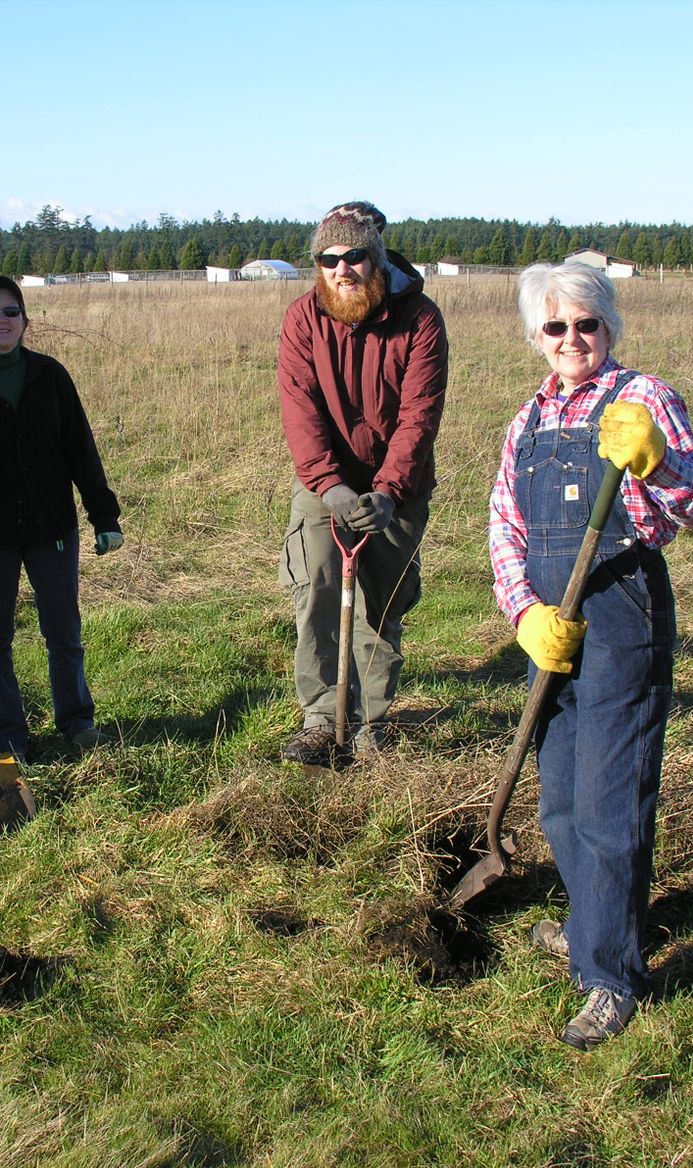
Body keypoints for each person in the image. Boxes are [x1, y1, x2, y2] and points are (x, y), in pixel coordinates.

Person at [489, 262, 693, 1049]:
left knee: (609, 799)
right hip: (551, 627)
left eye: (586, 324)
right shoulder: (524, 421)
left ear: (608, 327)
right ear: (536, 338)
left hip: (622, 612)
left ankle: (610, 976)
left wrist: (659, 462)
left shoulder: (643, 397)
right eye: (555, 328)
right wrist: (523, 613)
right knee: (558, 797)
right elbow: (505, 527)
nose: (572, 340)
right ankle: (589, 920)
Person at [276, 201, 447, 765]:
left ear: (376, 259)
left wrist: (389, 491)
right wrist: (329, 486)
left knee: (382, 599)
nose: (341, 269)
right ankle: (324, 715)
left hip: (396, 485)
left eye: (354, 257)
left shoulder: (420, 319)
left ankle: (373, 720)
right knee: (320, 584)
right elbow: (301, 411)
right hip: (325, 481)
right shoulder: (303, 319)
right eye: (328, 259)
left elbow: (418, 416)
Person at [0, 275, 122, 764]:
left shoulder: (50, 377)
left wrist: (103, 515)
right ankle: (6, 736)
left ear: (24, 320)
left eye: (10, 311)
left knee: (64, 628)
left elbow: (81, 450)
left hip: (51, 528)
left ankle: (77, 722)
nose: (1, 321)